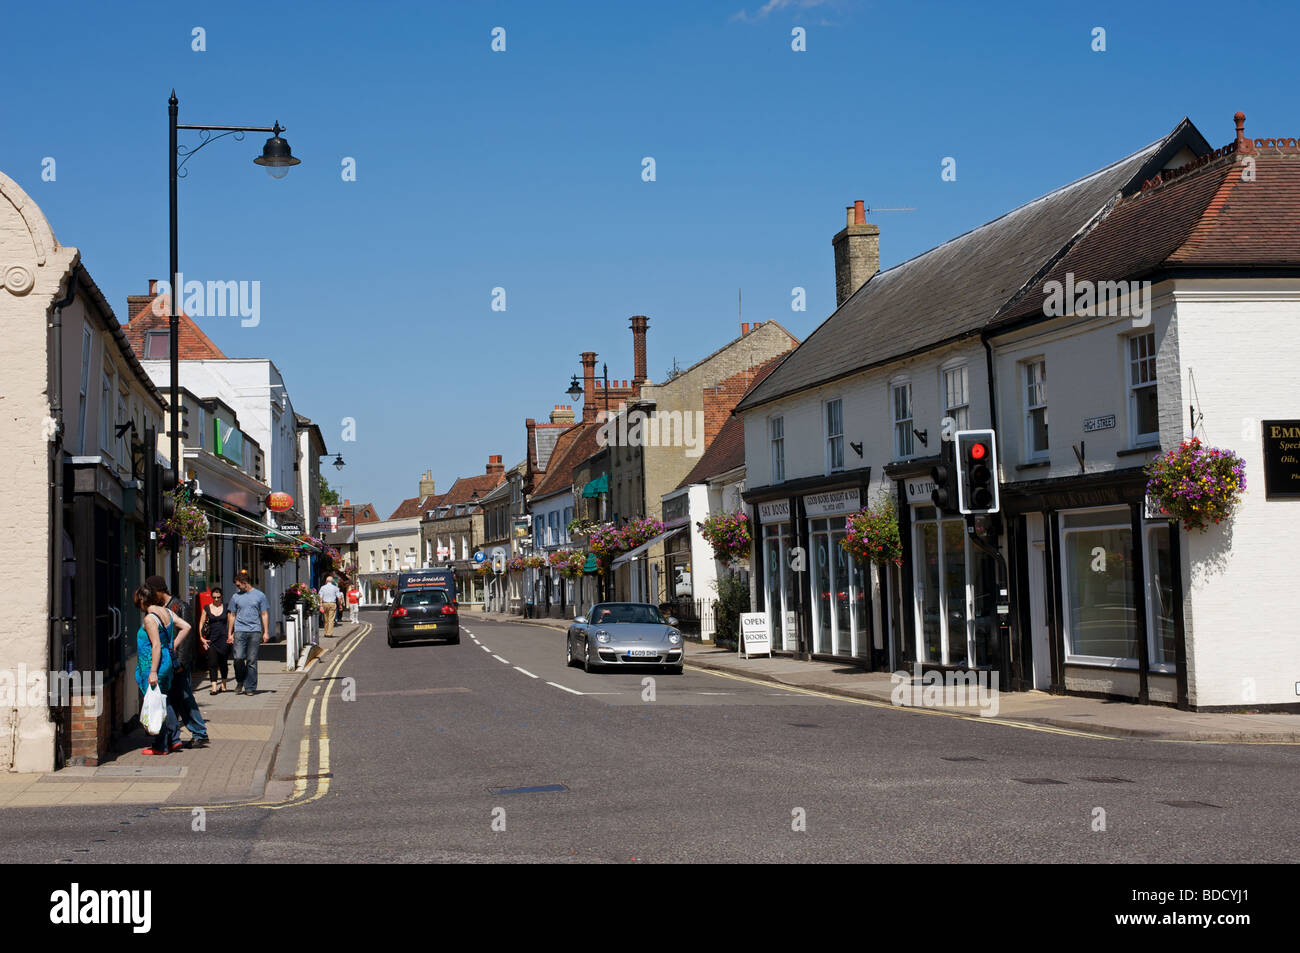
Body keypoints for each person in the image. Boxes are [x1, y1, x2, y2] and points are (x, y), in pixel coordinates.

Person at [146, 575, 209, 749]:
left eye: (152, 592)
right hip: (166, 662)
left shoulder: (180, 606)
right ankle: (173, 737)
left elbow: (187, 637)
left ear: (159, 590)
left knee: (184, 697)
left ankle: (199, 733)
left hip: (178, 662)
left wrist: (180, 662)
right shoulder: (158, 608)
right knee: (171, 699)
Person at [132, 585, 182, 755]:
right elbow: (186, 627)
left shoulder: (149, 619)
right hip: (166, 662)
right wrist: (173, 645)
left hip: (153, 665)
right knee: (163, 701)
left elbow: (155, 646)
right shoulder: (166, 612)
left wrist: (153, 671)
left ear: (142, 600)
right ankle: (174, 739)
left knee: (155, 703)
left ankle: (161, 745)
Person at [227, 570, 270, 695]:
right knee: (238, 658)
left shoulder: (260, 595)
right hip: (239, 631)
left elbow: (264, 614)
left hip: (255, 631)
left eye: (238, 585)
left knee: (251, 660)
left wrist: (266, 632)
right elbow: (232, 615)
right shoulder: (235, 597)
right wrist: (230, 633)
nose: (237, 587)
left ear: (245, 583)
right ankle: (240, 680)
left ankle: (250, 687)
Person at [200, 587, 232, 694]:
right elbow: (201, 623)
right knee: (212, 663)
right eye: (214, 597)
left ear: (222, 596)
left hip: (224, 639)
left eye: (218, 597)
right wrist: (201, 638)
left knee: (223, 663)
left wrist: (231, 635)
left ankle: (223, 685)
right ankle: (214, 687)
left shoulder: (226, 607)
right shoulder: (207, 608)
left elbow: (231, 622)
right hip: (211, 639)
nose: (216, 599)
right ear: (211, 597)